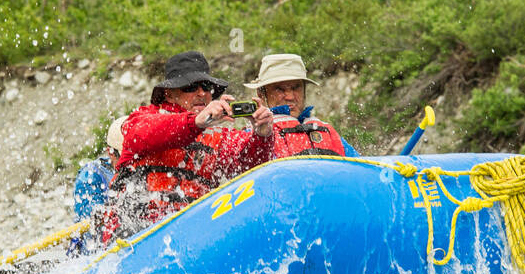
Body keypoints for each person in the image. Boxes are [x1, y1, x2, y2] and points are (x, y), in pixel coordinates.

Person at [98, 50, 277, 244]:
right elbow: (142, 134)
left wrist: (262, 134)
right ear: (169, 94)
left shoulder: (220, 137)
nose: (201, 93)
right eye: (191, 87)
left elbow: (249, 166)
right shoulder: (143, 118)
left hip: (188, 240)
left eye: (206, 86)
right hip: (131, 236)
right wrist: (196, 122)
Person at [243, 53, 357, 158]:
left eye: (296, 88)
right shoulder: (253, 137)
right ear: (261, 94)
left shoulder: (328, 132)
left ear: (304, 89)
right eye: (279, 89)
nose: (290, 97)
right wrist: (261, 135)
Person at [73, 115, 127, 222]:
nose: (134, 164)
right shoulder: (90, 175)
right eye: (126, 158)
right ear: (111, 153)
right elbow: (91, 214)